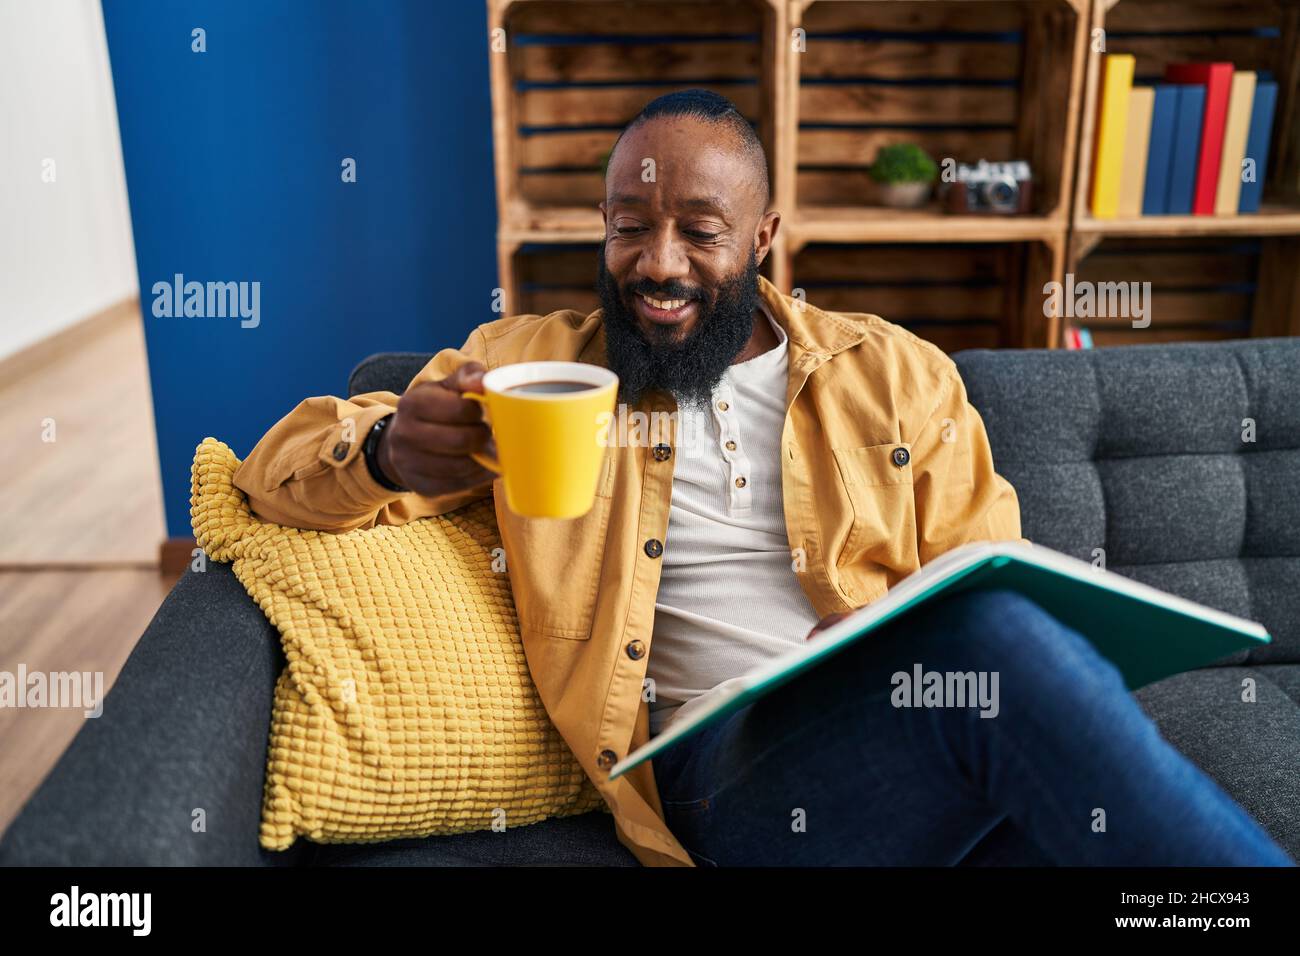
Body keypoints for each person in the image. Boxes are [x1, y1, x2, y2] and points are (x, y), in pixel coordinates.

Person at [232, 89, 1294, 867]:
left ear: (765, 237)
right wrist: (382, 453)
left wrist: (902, 642)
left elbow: (985, 569)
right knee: (1000, 652)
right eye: (628, 227)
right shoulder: (528, 366)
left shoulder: (892, 371)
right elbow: (270, 474)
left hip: (905, 739)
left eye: (699, 231)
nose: (657, 263)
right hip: (723, 781)